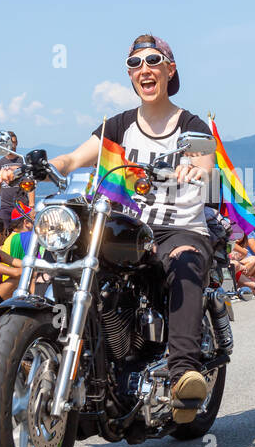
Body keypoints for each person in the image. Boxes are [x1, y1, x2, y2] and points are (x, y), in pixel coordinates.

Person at [48, 33, 217, 422]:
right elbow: (74, 159)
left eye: (153, 60)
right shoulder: (118, 126)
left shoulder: (189, 124)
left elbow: (205, 162)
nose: (144, 69)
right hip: (128, 230)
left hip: (179, 228)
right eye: (135, 63)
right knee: (72, 261)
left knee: (185, 261)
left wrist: (194, 167)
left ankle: (183, 374)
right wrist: (41, 167)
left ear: (169, 69)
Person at [0, 131, 34, 226]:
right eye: (9, 142)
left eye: (14, 142)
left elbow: (30, 185)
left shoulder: (23, 161)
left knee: (23, 234)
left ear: (17, 143)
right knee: (3, 235)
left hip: (21, 205)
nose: (12, 145)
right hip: (5, 207)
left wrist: (32, 206)